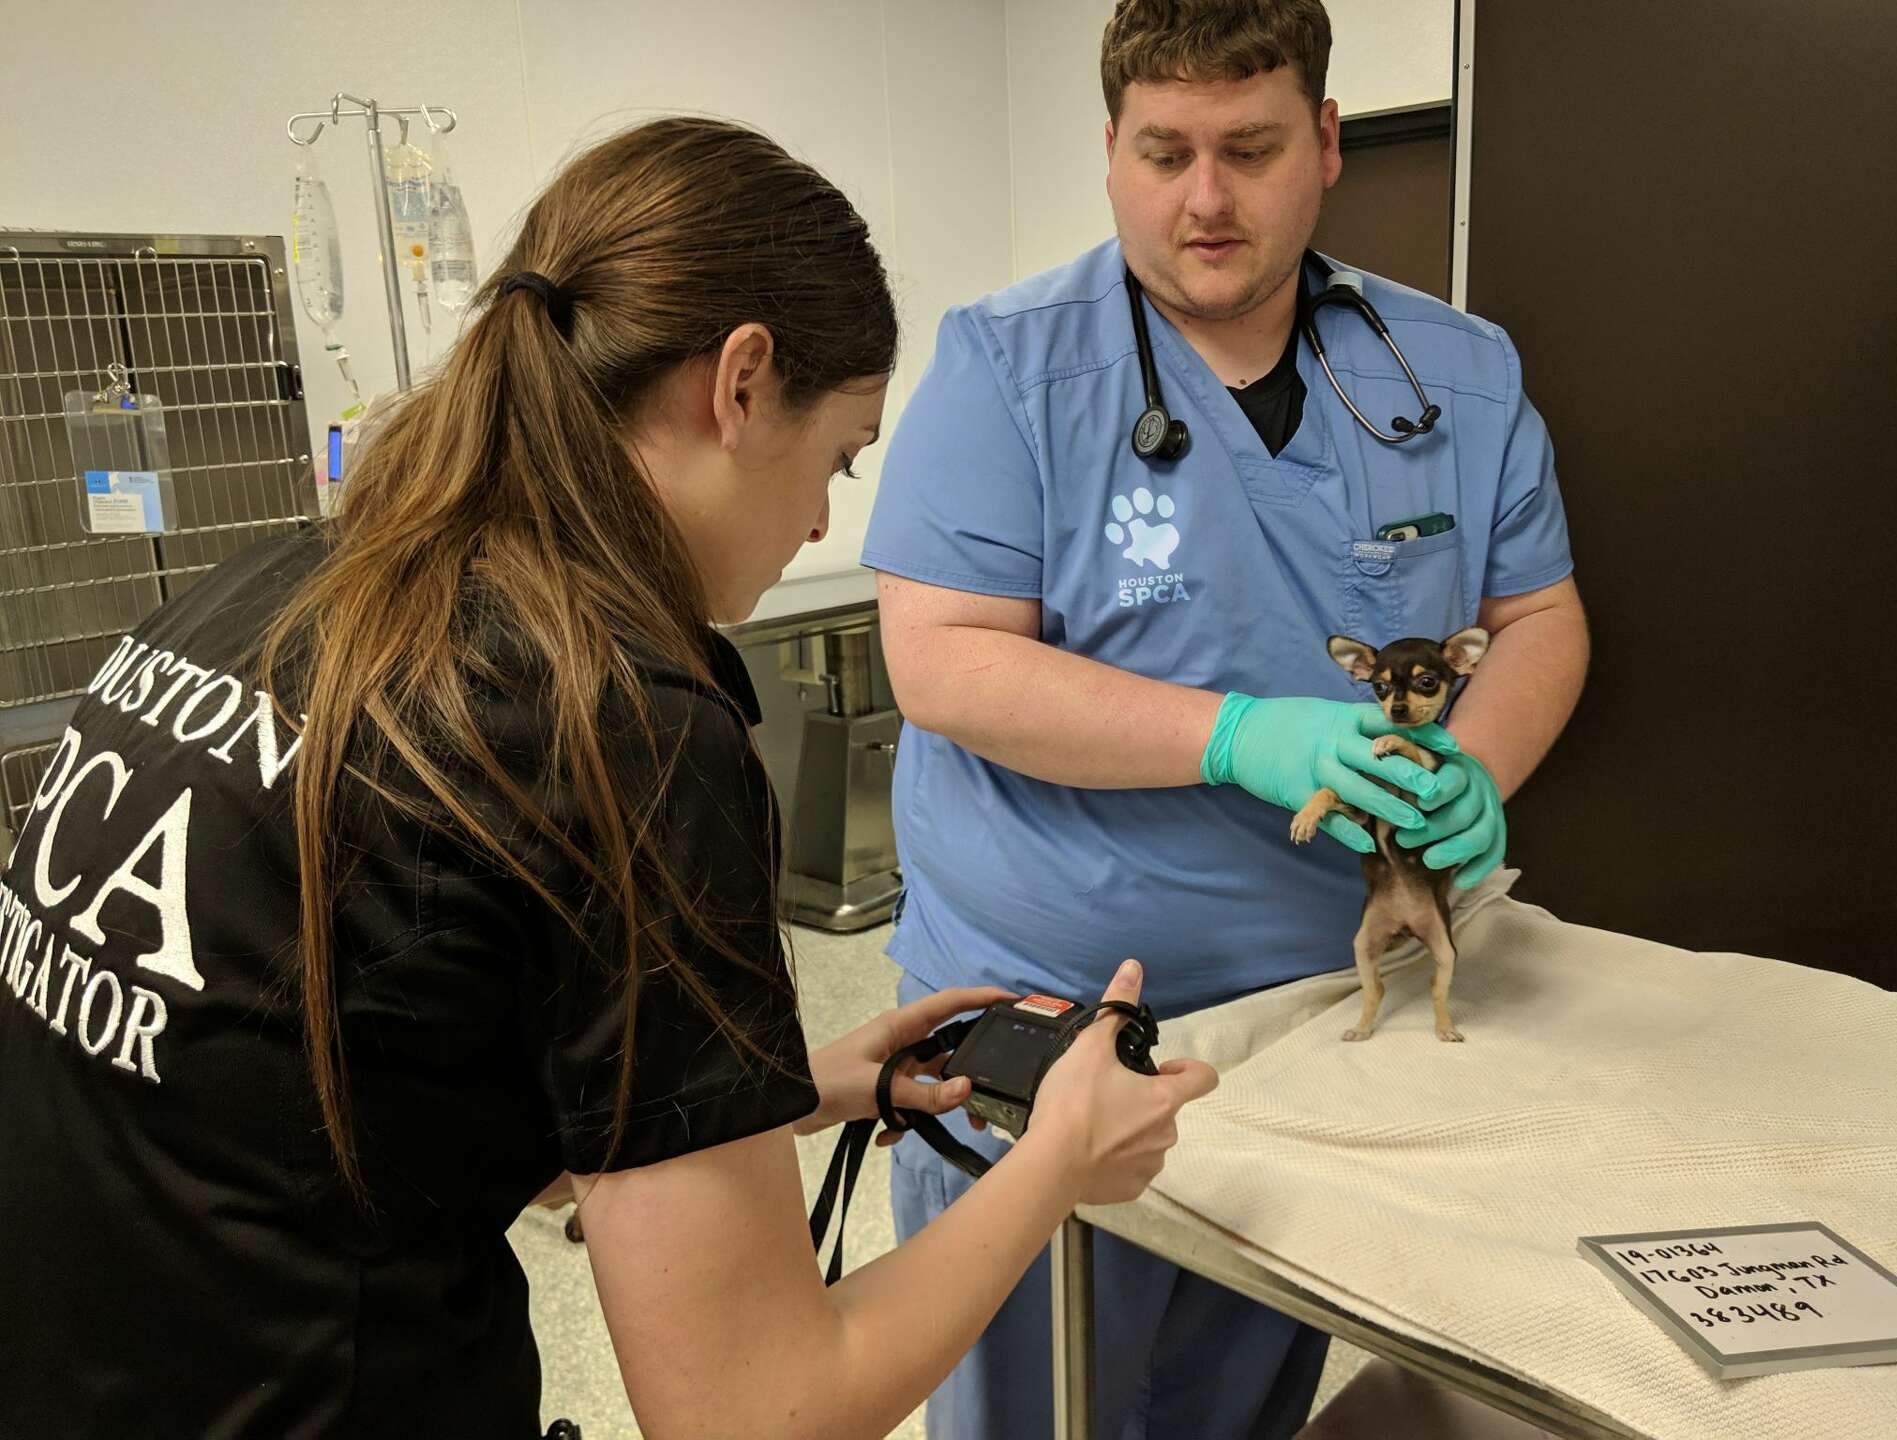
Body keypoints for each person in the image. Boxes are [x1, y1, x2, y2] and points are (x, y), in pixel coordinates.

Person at [0, 116, 1220, 1440]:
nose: (823, 519)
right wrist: (1051, 1165)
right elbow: (755, 1414)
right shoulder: (613, 722)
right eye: (842, 454)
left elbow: (390, 1069)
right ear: (742, 382)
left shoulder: (280, 600)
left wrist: (773, 1088)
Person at [862, 2, 1592, 1436]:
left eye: (1250, 149)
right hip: (1048, 1031)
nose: (1205, 197)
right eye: (1164, 151)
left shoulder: (1459, 373)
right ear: (1113, 152)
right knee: (1042, 1412)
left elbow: (1541, 620)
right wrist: (1239, 736)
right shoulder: (1007, 369)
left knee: (1239, 1413)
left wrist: (1475, 772)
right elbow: (943, 661)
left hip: (1321, 1034)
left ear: (1325, 144)